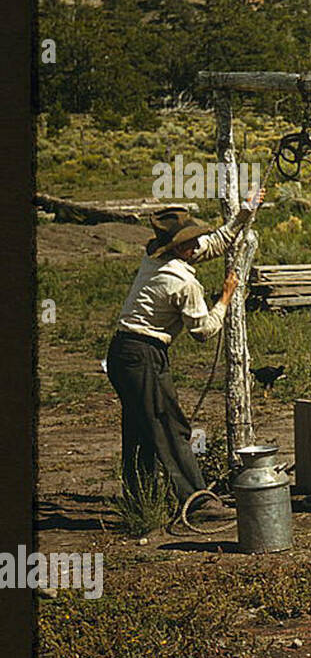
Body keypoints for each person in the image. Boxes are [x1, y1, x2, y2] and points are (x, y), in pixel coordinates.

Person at [106, 190, 264, 523]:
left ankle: (141, 502)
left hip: (126, 354)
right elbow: (203, 331)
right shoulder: (181, 282)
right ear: (177, 247)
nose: (197, 246)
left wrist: (246, 211)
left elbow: (218, 241)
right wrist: (226, 297)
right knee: (169, 425)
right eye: (190, 242)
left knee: (141, 428)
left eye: (195, 241)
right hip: (143, 354)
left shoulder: (157, 255)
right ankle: (199, 501)